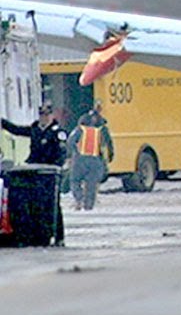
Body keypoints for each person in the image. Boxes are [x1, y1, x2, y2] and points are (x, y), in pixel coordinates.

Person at [1, 102, 67, 244]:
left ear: (51, 116)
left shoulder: (57, 132)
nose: (43, 118)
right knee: (32, 202)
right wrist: (2, 122)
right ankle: (32, 234)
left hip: (49, 173)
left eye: (46, 115)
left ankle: (59, 236)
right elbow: (16, 130)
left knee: (53, 205)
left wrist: (55, 167)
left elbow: (61, 154)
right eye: (41, 115)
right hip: (35, 170)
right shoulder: (35, 129)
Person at [67, 100, 114, 211]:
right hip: (95, 160)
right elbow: (109, 144)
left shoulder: (81, 128)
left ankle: (79, 199)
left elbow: (70, 141)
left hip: (80, 159)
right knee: (91, 184)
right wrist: (110, 156)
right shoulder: (102, 128)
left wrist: (74, 152)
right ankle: (88, 205)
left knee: (74, 180)